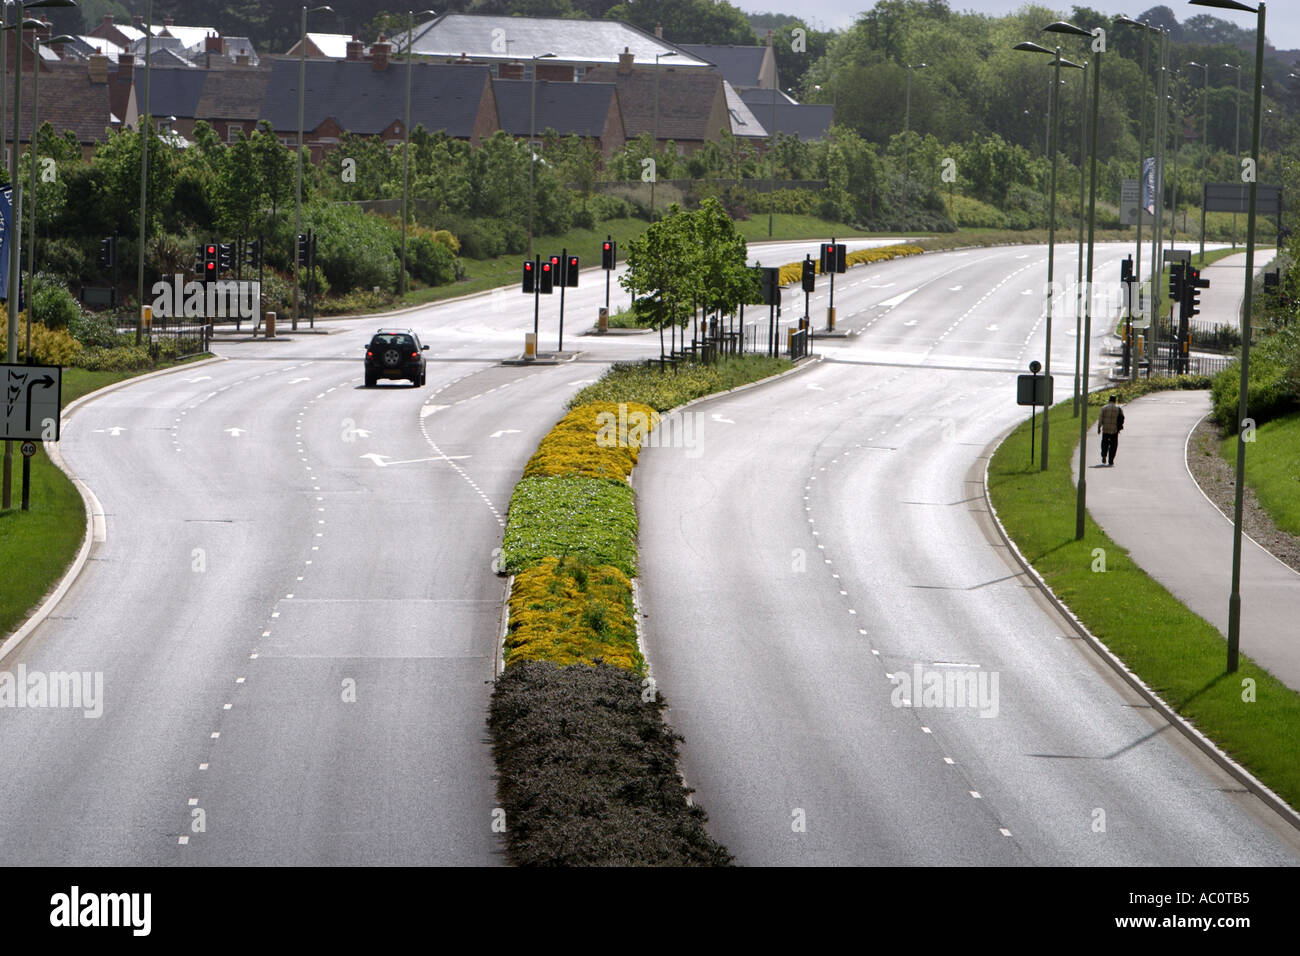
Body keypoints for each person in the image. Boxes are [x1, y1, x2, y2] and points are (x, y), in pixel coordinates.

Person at [1097, 394, 1125, 466]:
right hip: (1114, 430)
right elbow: (1122, 418)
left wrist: (1099, 428)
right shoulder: (1118, 409)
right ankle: (1111, 459)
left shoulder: (1104, 408)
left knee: (1104, 443)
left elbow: (1100, 419)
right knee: (1113, 445)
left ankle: (1104, 455)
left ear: (1109, 400)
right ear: (1115, 400)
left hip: (1106, 429)